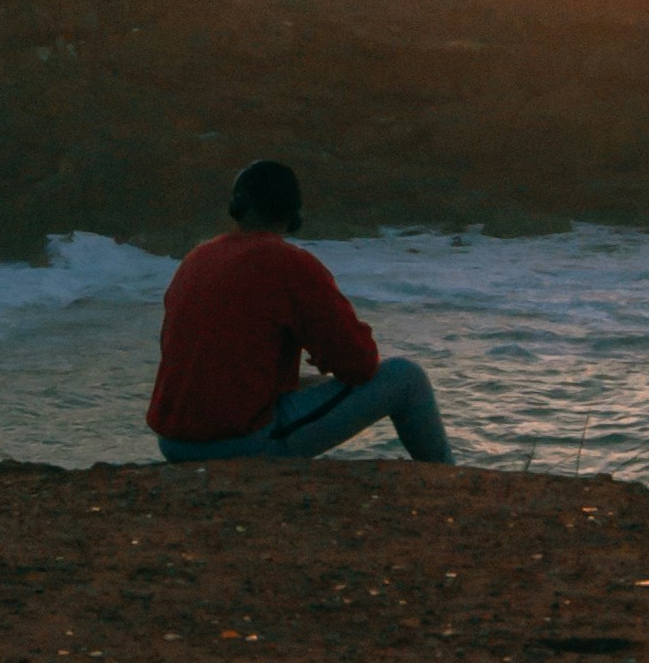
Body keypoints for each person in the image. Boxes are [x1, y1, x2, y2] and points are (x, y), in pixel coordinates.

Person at [146, 160, 455, 464]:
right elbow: (360, 363)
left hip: (174, 442)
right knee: (406, 377)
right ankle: (448, 479)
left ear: (237, 207)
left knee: (299, 384)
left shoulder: (198, 257)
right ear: (294, 215)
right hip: (234, 443)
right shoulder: (288, 263)